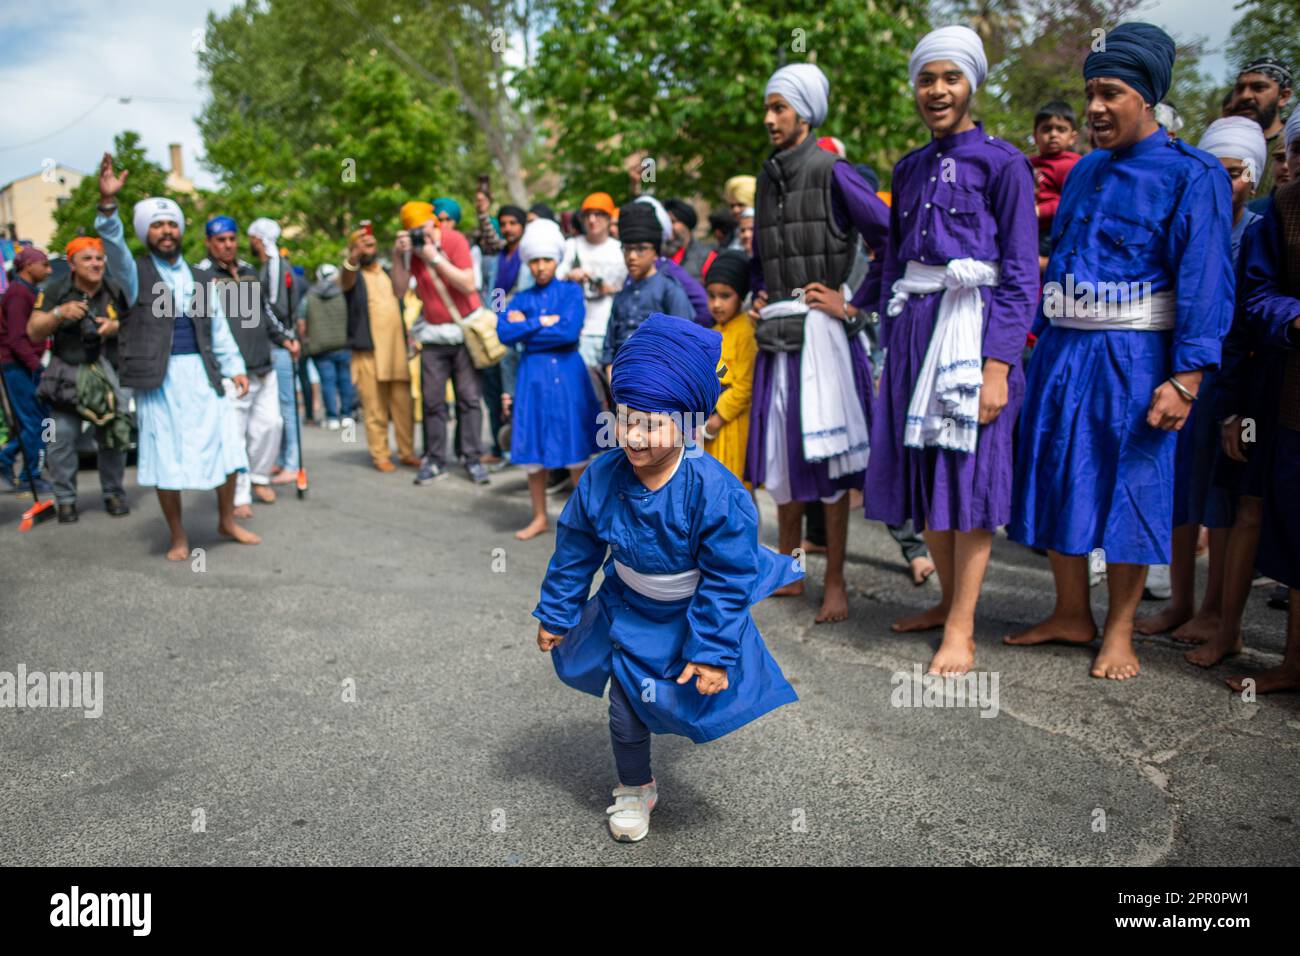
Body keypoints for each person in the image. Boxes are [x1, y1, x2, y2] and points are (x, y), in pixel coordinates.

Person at [1007, 24, 1235, 680]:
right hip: (1062, 350)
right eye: (1090, 94)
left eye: (1111, 93)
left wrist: (1186, 378)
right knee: (1057, 475)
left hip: (1137, 358)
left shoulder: (1195, 175)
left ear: (1147, 96)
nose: (1096, 107)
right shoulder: (1082, 171)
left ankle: (1120, 631)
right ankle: (1070, 611)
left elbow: (1205, 280)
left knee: (1131, 487)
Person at [533, 313, 800, 843]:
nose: (633, 435)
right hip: (628, 609)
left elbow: (726, 579)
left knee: (688, 696)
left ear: (691, 423)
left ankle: (698, 670)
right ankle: (636, 787)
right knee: (625, 708)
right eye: (625, 417)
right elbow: (576, 549)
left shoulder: (718, 494)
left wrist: (711, 651)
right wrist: (557, 611)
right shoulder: (603, 477)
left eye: (651, 423)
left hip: (692, 611)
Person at [865, 26, 1037, 674]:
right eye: (926, 79)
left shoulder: (1004, 163)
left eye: (950, 78)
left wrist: (999, 365)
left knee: (968, 479)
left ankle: (962, 625)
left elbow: (1022, 273)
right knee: (925, 475)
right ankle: (944, 601)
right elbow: (892, 264)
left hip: (973, 332)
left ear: (971, 84)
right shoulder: (907, 168)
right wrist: (886, 349)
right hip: (914, 332)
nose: (937, 90)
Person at [745, 61, 889, 625]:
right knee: (781, 461)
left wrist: (852, 303)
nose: (770, 118)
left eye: (779, 107)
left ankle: (835, 580)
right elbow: (761, 257)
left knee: (828, 468)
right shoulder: (766, 176)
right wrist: (758, 291)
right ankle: (789, 569)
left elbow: (888, 236)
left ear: (805, 113)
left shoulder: (834, 171)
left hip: (822, 338)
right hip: (777, 335)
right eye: (768, 107)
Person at [1132, 117, 1266, 645]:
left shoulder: (1258, 230)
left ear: (1252, 178)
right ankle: (1182, 602)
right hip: (1186, 374)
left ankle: (1218, 616)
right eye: (1217, 171)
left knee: (1226, 500)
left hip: (1241, 383)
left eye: (1235, 173)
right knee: (1181, 492)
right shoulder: (1185, 218)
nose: (1225, 183)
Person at [94, 153, 258, 558]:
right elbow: (113, 250)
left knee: (226, 450)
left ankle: (226, 520)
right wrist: (108, 208)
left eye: (172, 224)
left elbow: (217, 327)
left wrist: (235, 367)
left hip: (204, 377)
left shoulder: (200, 277)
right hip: (159, 382)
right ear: (145, 232)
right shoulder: (135, 274)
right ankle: (179, 536)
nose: (166, 232)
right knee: (166, 458)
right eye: (157, 225)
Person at [1225, 174, 1300, 694]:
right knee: (1291, 530)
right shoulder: (1286, 206)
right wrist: (1294, 319)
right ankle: (1293, 663)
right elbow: (1256, 296)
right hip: (1282, 403)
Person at [498, 218, 601, 539]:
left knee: (576, 449)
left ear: (557, 259)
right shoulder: (521, 298)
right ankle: (539, 516)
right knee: (535, 447)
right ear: (528, 262)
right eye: (535, 260)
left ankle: (588, 522)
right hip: (534, 379)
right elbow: (503, 331)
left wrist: (527, 327)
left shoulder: (571, 291)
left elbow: (570, 331)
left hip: (568, 376)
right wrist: (544, 320)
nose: (541, 266)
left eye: (547, 259)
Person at [25, 237, 130, 520]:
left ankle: (113, 493)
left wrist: (114, 326)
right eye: (88, 258)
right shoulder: (56, 290)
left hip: (109, 372)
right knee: (61, 437)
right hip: (66, 373)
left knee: (114, 437)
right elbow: (34, 331)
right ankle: (65, 498)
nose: (96, 264)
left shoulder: (115, 287)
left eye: (99, 258)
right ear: (71, 263)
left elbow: (138, 324)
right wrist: (60, 313)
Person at [391, 201, 490, 485]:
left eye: (425, 228)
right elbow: (399, 290)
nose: (423, 235)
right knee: (432, 401)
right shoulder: (410, 252)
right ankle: (434, 459)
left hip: (463, 334)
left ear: (434, 223)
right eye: (414, 232)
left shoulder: (455, 240)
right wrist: (399, 256)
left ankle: (472, 458)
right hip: (433, 336)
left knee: (469, 399)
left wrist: (434, 257)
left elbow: (468, 284)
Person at [196, 216, 287, 517]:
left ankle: (260, 477)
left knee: (270, 425)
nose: (227, 245)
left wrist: (285, 339)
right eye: (220, 240)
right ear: (209, 242)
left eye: (232, 239)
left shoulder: (249, 271)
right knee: (234, 436)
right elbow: (200, 327)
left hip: (263, 364)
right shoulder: (201, 276)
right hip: (231, 373)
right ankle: (239, 495)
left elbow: (265, 313)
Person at [338, 225, 418, 473]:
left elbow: (404, 291)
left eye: (370, 245)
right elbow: (345, 278)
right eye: (362, 246)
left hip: (396, 352)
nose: (367, 250)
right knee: (374, 408)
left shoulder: (386, 272)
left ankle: (407, 452)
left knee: (404, 407)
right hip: (368, 353)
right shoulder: (353, 276)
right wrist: (353, 257)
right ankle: (380, 454)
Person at [602, 201, 693, 373]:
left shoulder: (670, 290)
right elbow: (609, 350)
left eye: (641, 249)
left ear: (656, 252)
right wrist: (617, 390)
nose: (632, 256)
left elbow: (683, 348)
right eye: (627, 249)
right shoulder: (622, 296)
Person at [245, 218, 303, 486]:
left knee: (286, 405)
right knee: (277, 408)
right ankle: (280, 460)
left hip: (280, 345)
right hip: (276, 343)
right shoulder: (268, 266)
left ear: (258, 238)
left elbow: (273, 306)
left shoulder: (276, 265)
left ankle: (292, 463)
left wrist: (285, 338)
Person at [700, 249, 756, 485]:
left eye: (725, 296)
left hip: (732, 424)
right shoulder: (714, 332)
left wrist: (718, 417)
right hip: (709, 424)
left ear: (741, 296)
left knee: (733, 487)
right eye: (711, 296)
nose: (716, 304)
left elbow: (745, 385)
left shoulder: (747, 331)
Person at [0, 246, 52, 495]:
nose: (48, 269)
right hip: (17, 365)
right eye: (44, 264)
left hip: (25, 363)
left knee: (37, 420)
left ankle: (7, 460)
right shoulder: (19, 294)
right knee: (34, 422)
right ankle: (31, 475)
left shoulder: (29, 291)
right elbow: (16, 338)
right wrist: (36, 366)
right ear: (28, 266)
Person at [557, 192, 626, 370]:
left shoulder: (619, 249)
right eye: (587, 215)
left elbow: (630, 286)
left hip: (610, 329)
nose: (592, 220)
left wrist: (608, 287)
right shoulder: (571, 245)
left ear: (609, 218)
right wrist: (571, 275)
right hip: (579, 328)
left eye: (598, 214)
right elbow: (555, 277)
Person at [1225, 57, 1292, 208]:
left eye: (1259, 87)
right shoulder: (1222, 147)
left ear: (1283, 96)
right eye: (1240, 89)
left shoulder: (1292, 147)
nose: (1245, 96)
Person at [1030, 100, 1082, 273]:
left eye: (1061, 129)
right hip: (1029, 228)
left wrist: (1040, 211)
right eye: (1046, 129)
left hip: (1052, 231)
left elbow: (1072, 202)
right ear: (1035, 135)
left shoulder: (1070, 165)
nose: (1053, 135)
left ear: (1072, 137)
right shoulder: (1029, 163)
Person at [302, 263, 353, 431]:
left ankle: (332, 416)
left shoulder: (310, 296)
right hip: (342, 343)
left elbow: (301, 320)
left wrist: (305, 339)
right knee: (345, 380)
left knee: (327, 382)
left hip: (320, 346)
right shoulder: (342, 294)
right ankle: (346, 414)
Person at [664, 198, 715, 282]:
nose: (668, 227)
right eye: (666, 222)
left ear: (686, 224)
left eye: (672, 222)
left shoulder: (707, 257)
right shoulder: (659, 256)